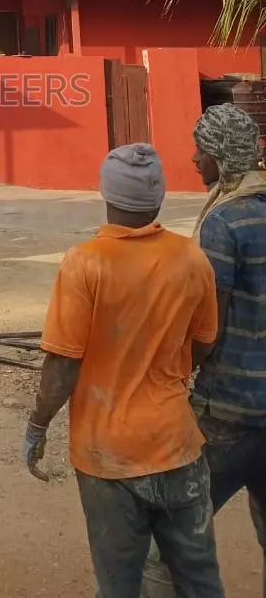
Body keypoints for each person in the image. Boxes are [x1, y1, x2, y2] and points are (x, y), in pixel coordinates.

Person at [23, 142, 224, 598]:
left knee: (118, 583)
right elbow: (205, 344)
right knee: (199, 578)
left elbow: (62, 364)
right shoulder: (191, 258)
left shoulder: (85, 262)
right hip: (177, 445)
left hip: (107, 454)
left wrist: (38, 425)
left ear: (106, 194)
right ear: (158, 199)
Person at [141, 103, 266, 598]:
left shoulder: (225, 222)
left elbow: (206, 325)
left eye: (202, 150)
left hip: (229, 411)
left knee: (167, 540)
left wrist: (171, 375)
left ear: (221, 156)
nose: (194, 159)